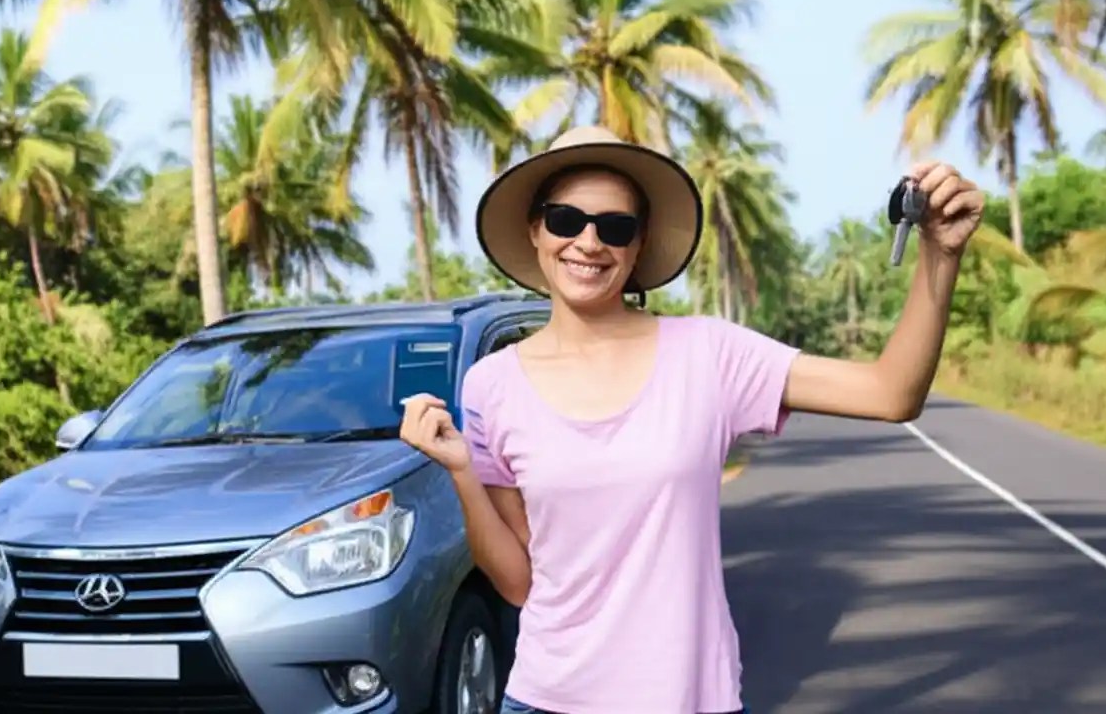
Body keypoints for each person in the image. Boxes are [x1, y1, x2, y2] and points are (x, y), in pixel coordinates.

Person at [399, 126, 984, 714]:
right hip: (547, 699)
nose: (589, 240)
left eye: (616, 226)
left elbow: (890, 393)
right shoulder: (491, 386)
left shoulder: (709, 353)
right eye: (565, 219)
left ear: (639, 244)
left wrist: (942, 253)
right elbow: (520, 583)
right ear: (535, 230)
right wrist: (462, 473)